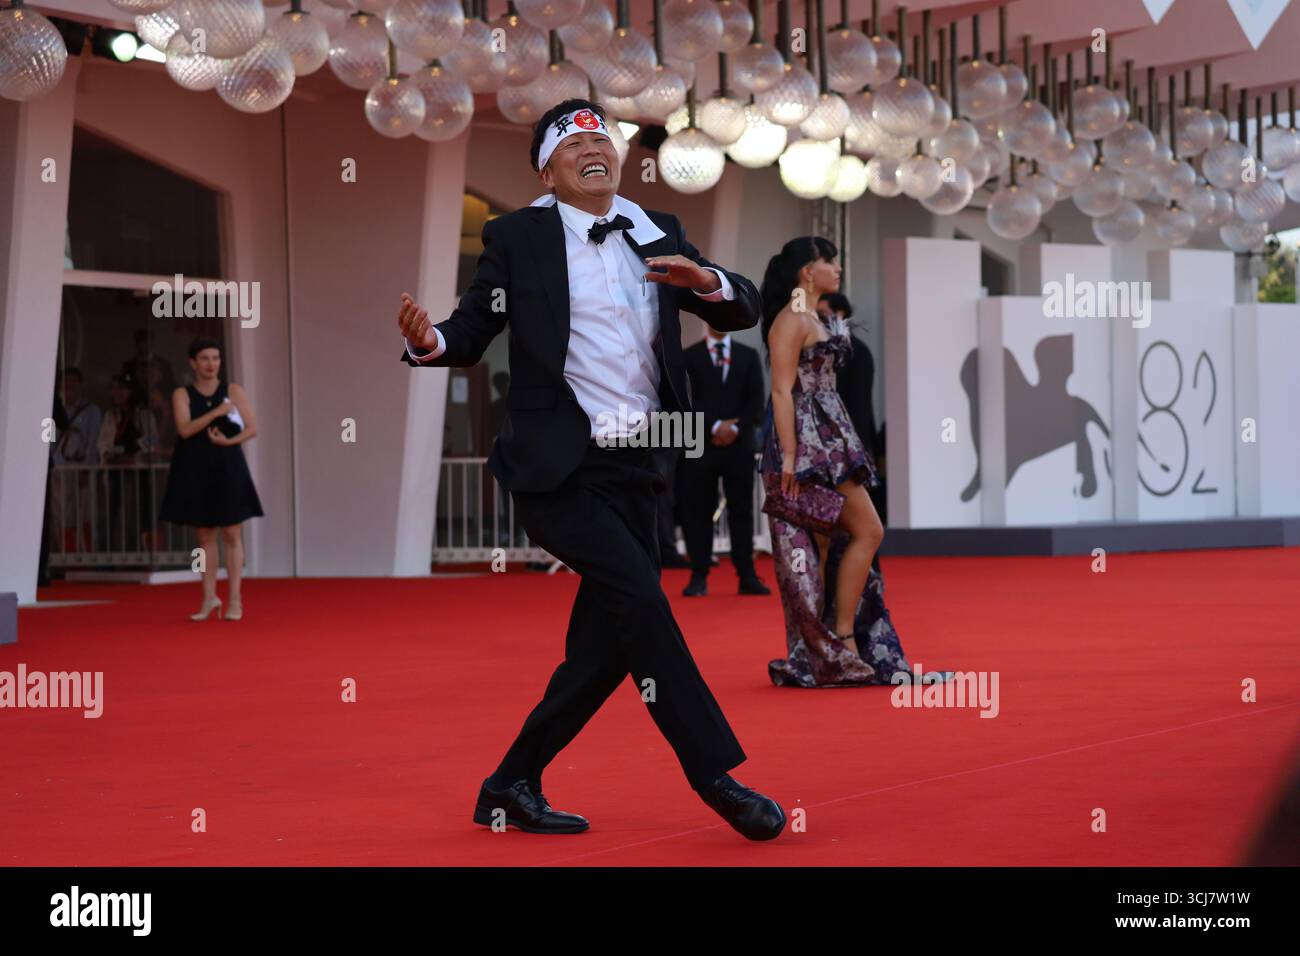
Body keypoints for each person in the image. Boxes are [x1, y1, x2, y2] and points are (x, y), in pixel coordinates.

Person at [397, 99, 785, 841]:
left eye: (602, 139)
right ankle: (717, 779)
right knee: (642, 602)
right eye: (575, 145)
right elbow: (474, 328)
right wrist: (430, 341)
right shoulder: (518, 236)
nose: (594, 150)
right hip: (557, 468)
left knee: (604, 649)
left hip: (640, 465)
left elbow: (740, 304)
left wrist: (704, 281)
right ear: (548, 169)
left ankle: (510, 783)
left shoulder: (655, 229)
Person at [759, 237, 951, 687]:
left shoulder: (813, 316)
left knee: (832, 543)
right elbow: (781, 390)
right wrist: (788, 454)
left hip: (830, 437)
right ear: (808, 270)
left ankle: (834, 647)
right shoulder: (790, 320)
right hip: (810, 442)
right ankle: (838, 642)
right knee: (863, 532)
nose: (838, 269)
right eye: (830, 261)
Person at [159, 337, 263, 622]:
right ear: (193, 363)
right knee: (204, 535)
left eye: (215, 358)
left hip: (228, 465)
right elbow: (184, 429)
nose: (211, 364)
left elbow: (252, 428)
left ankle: (235, 599)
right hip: (194, 465)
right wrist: (216, 412)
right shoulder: (182, 393)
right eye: (204, 358)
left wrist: (230, 443)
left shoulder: (233, 390)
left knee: (231, 533)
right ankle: (208, 597)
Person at [679, 324, 770, 596]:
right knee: (697, 512)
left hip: (739, 447)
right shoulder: (689, 356)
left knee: (741, 511)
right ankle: (698, 575)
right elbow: (684, 400)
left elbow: (756, 401)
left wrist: (736, 428)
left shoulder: (748, 355)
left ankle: (747, 575)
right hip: (700, 447)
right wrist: (714, 426)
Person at [821, 292, 887, 570]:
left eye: (823, 314)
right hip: (831, 449)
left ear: (839, 315)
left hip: (849, 451)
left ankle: (868, 577)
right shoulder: (825, 349)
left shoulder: (855, 351)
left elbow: (858, 408)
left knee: (861, 524)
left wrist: (852, 452)